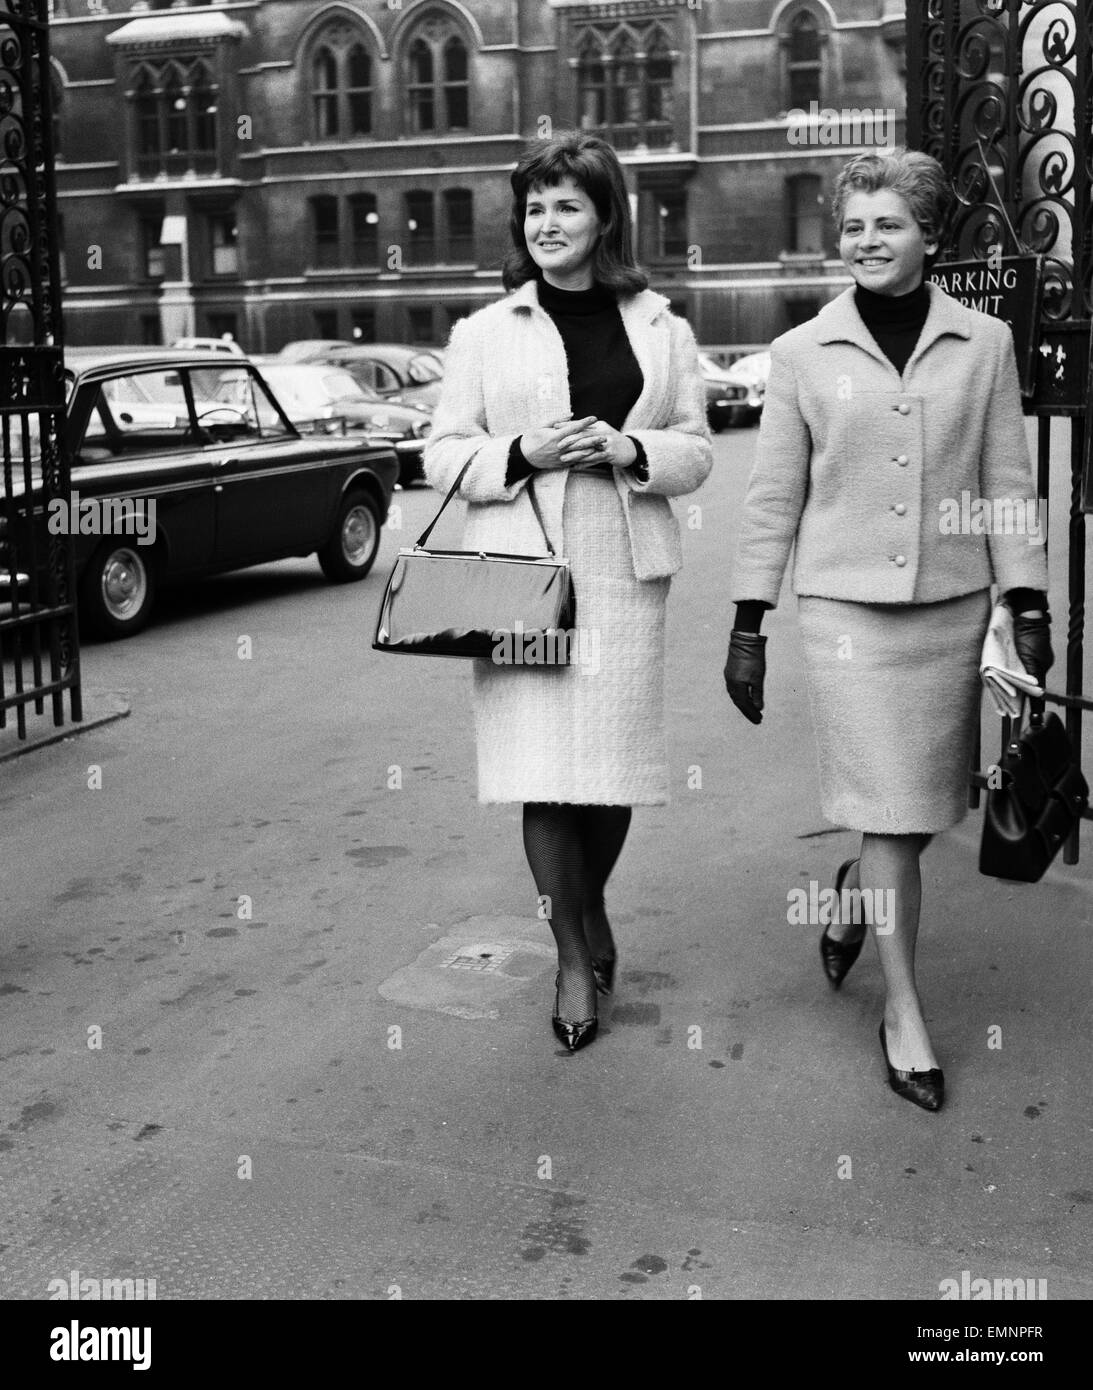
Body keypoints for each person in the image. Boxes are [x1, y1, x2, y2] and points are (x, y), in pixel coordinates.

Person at [725, 148, 1052, 1110]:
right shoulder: (799, 353)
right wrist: (748, 622)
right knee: (890, 814)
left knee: (915, 811)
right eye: (855, 225)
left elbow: (1004, 484)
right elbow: (772, 498)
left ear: (929, 235)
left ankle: (847, 891)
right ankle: (902, 1010)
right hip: (843, 617)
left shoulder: (982, 344)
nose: (868, 241)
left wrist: (1024, 600)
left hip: (949, 611)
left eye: (889, 224)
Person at [424, 132, 712, 1052]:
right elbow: (437, 455)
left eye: (566, 206)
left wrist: (632, 450)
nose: (547, 223)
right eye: (535, 207)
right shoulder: (483, 332)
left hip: (623, 572)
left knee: (611, 774)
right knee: (544, 777)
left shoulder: (663, 328)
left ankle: (588, 914)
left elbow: (697, 450)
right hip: (520, 572)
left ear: (604, 219)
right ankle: (571, 956)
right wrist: (521, 452)